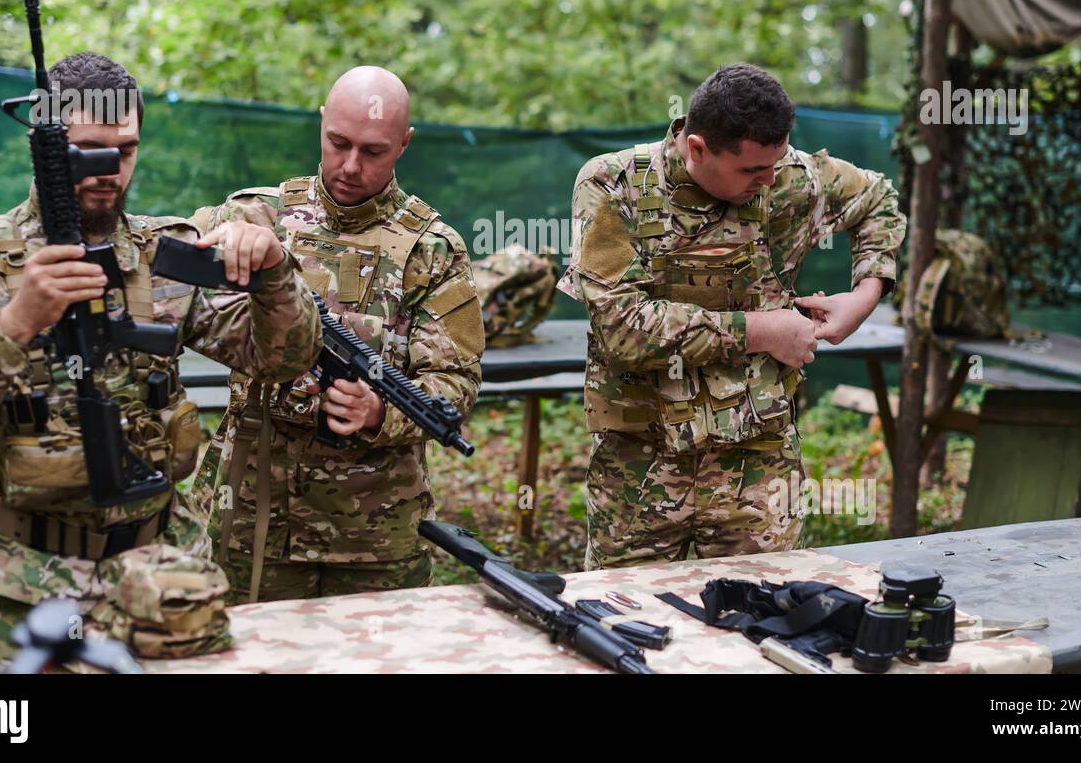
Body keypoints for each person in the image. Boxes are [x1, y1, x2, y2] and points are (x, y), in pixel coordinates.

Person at [0, 51, 322, 671]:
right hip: (24, 587)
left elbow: (282, 359)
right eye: (89, 150)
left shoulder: (166, 255)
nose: (109, 171)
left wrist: (274, 272)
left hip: (160, 577)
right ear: (45, 147)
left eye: (124, 151)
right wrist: (16, 322)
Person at [558, 62, 906, 569]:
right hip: (641, 465)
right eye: (750, 171)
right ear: (696, 147)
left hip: (758, 460)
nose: (767, 181)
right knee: (625, 617)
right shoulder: (616, 185)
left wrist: (866, 293)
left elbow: (878, 198)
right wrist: (765, 331)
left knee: (764, 613)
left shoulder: (788, 177)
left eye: (776, 163)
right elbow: (623, 329)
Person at [194, 65, 484, 602]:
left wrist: (380, 412)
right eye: (338, 143)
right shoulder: (257, 214)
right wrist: (222, 237)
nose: (350, 166)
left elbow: (456, 381)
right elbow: (177, 284)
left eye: (373, 151)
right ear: (322, 123)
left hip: (375, 531)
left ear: (404, 144)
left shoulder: (433, 249)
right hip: (253, 513)